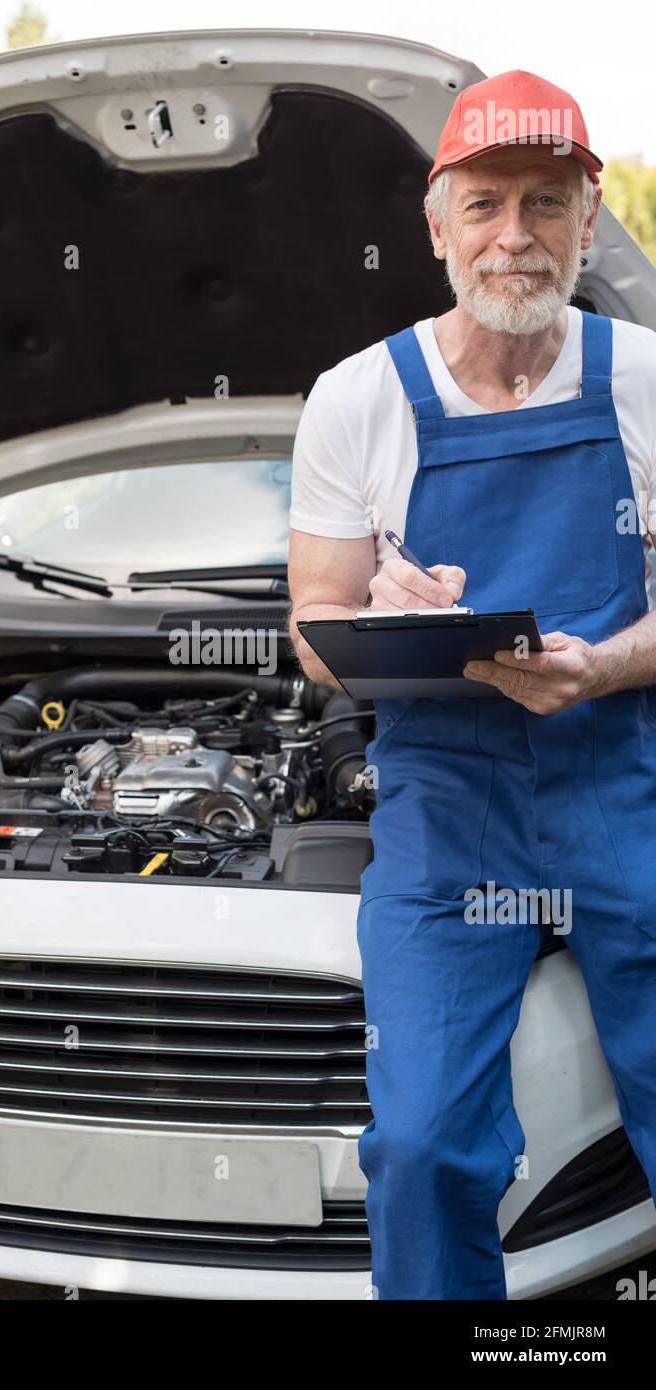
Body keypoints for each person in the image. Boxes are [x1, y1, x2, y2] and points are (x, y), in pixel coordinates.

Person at [288, 69, 656, 1300]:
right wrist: (382, 620)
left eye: (547, 203)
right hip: (447, 801)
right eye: (486, 204)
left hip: (624, 775)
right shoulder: (356, 401)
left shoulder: (643, 378)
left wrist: (604, 665)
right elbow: (312, 624)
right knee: (422, 1144)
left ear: (589, 219)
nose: (516, 235)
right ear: (436, 226)